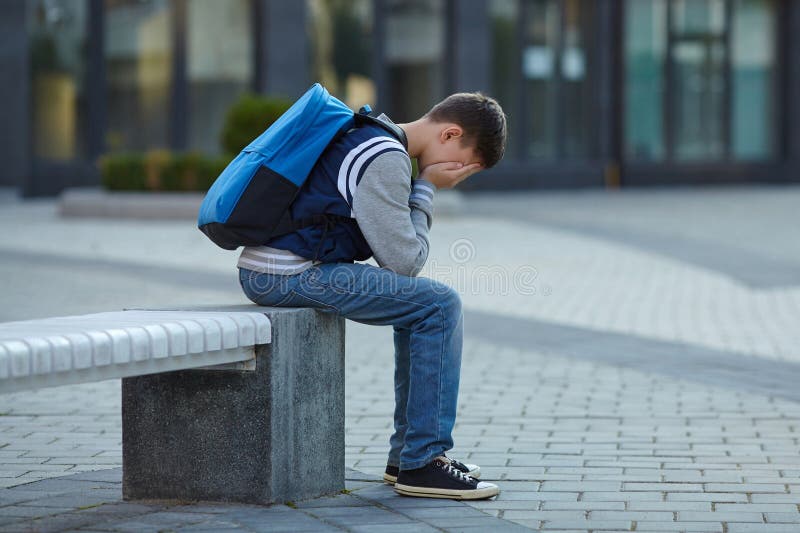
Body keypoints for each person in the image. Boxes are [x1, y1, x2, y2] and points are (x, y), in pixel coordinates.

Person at [237, 91, 507, 500]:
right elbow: (405, 262)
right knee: (439, 305)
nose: (458, 174)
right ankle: (422, 461)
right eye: (464, 165)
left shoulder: (372, 136)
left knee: (421, 306)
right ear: (450, 134)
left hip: (280, 268)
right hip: (284, 273)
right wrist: (428, 187)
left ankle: (408, 457)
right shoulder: (386, 157)